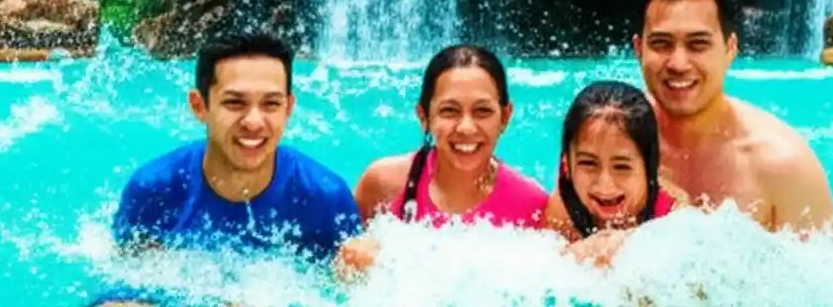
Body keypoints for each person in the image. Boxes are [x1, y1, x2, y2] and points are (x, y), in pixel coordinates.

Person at [94, 31, 361, 305]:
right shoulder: (154, 190)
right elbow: (123, 287)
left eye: (271, 104)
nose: (254, 122)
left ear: (288, 107)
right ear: (200, 107)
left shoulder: (326, 198)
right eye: (235, 103)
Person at [632, 0, 833, 235]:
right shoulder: (606, 145)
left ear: (730, 49)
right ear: (638, 49)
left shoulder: (783, 167)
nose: (678, 63)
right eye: (661, 44)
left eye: (698, 44)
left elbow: (824, 274)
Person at [336, 44, 549, 275]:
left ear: (505, 117)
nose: (466, 127)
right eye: (450, 111)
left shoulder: (533, 206)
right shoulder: (383, 185)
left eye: (482, 111)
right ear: (424, 117)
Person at [542, 80, 681, 267]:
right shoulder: (564, 211)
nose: (605, 185)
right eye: (588, 163)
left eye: (621, 167)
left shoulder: (675, 216)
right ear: (567, 166)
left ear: (651, 168)